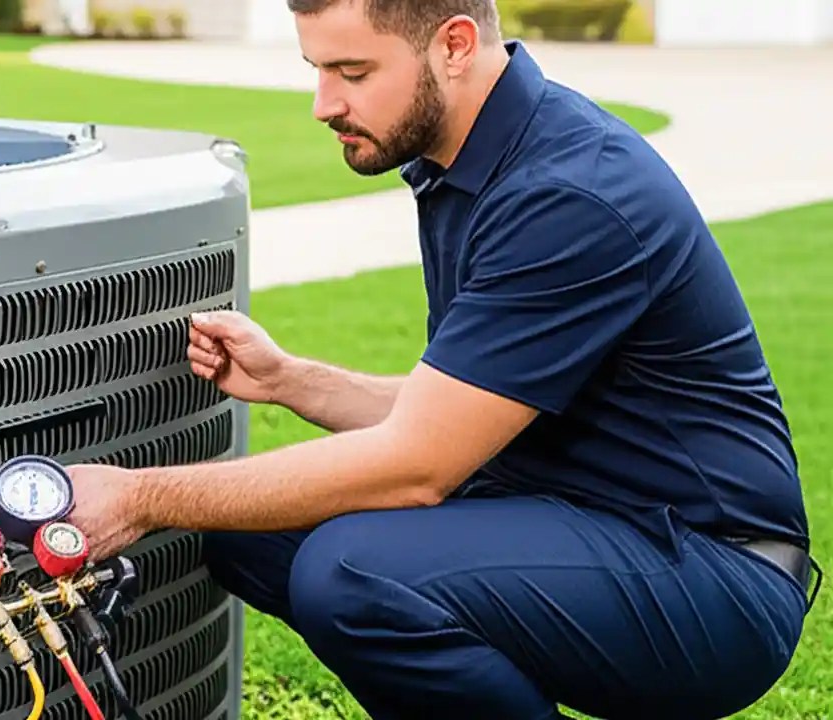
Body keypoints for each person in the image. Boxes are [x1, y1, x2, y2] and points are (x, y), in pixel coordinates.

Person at [64, 1, 821, 718]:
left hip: (711, 573)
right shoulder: (470, 158)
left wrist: (136, 495)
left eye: (352, 73)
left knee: (350, 575)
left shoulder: (571, 193)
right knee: (247, 533)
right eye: (317, 70)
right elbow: (461, 411)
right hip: (571, 512)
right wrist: (294, 380)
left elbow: (417, 466)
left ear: (454, 46)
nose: (323, 103)